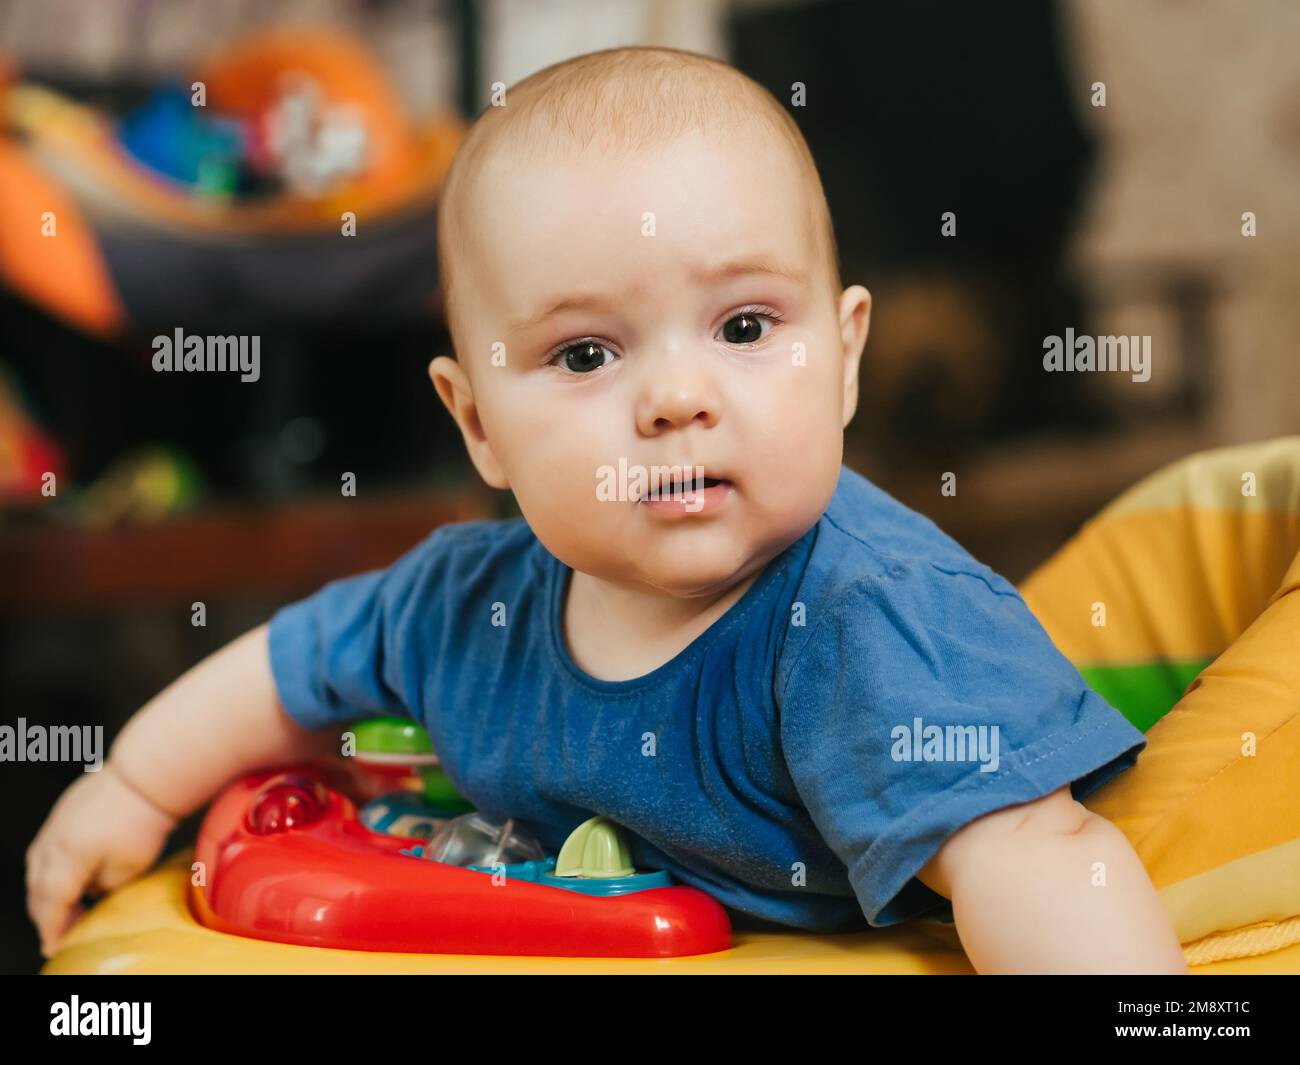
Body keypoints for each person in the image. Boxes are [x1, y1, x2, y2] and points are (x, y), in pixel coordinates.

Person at [26, 46, 1186, 974]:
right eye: (585, 353)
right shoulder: (463, 604)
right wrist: (130, 788)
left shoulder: (864, 620)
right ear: (477, 423)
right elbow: (291, 666)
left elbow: (1039, 857)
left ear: (842, 361)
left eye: (743, 328)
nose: (676, 400)